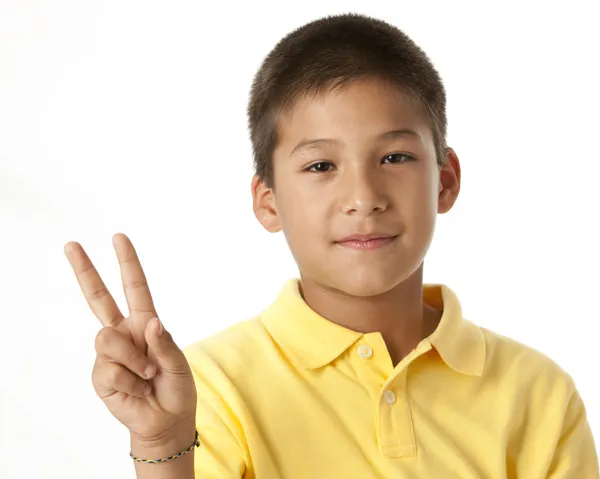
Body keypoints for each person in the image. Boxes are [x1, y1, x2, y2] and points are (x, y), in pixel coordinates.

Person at [64, 12, 599, 479]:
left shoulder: (539, 393)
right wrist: (161, 447)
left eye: (394, 158)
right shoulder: (208, 385)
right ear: (268, 201)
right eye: (321, 166)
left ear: (445, 180)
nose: (363, 198)